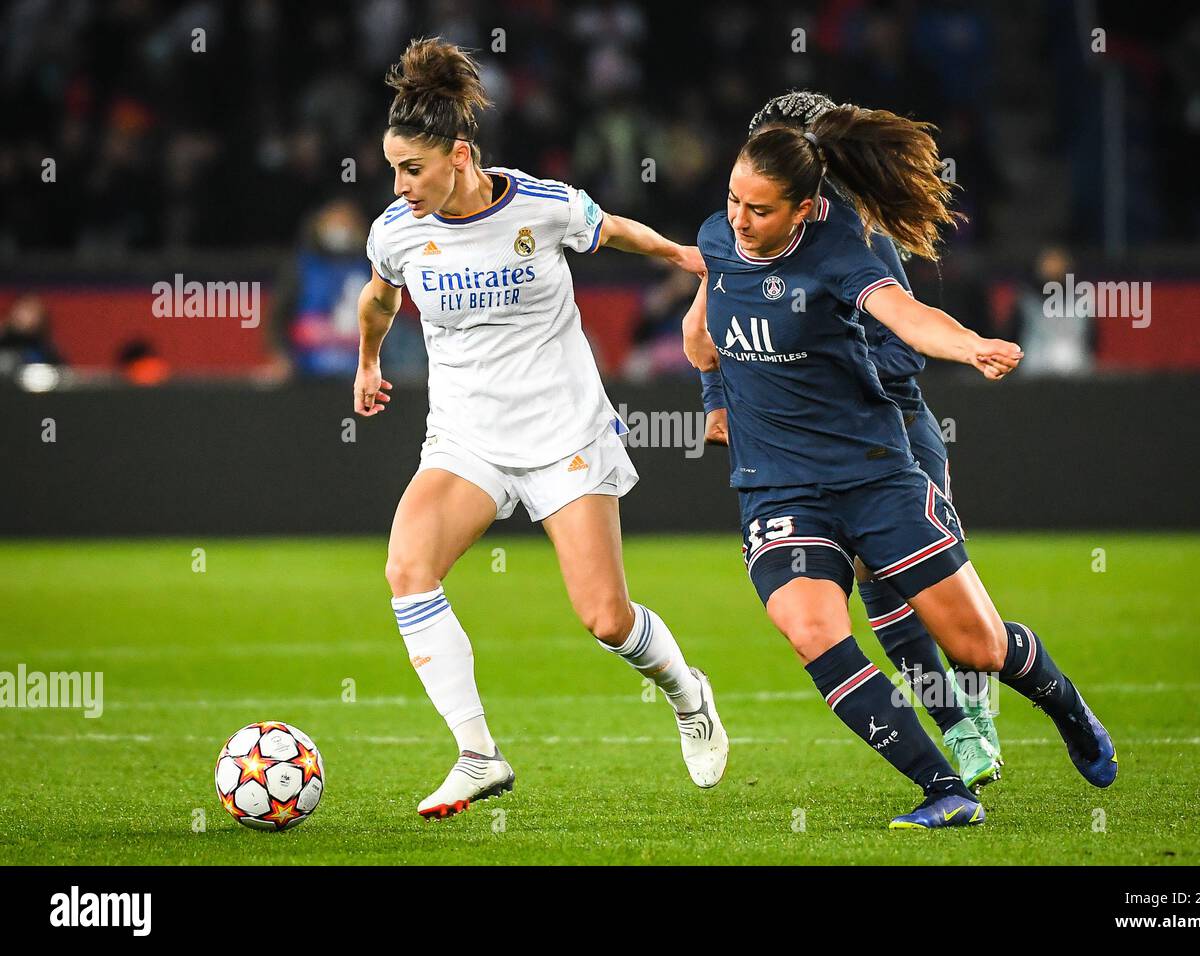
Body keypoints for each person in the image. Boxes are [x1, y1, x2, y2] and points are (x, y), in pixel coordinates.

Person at [685, 105, 1117, 829]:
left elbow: (906, 319)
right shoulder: (718, 237)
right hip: (777, 486)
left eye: (758, 208)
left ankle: (1067, 710)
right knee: (810, 628)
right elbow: (704, 329)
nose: (739, 218)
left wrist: (971, 343)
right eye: (733, 200)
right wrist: (709, 369)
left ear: (803, 208)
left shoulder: (844, 248)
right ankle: (945, 788)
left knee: (975, 646)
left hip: (872, 473)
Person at [356, 37, 728, 820]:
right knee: (407, 570)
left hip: (563, 432)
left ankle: (688, 693)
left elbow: (616, 230)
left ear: (459, 154)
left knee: (606, 619)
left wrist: (681, 255)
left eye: (411, 169)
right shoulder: (396, 229)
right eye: (392, 169)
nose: (400, 185)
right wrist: (368, 361)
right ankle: (478, 755)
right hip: (465, 437)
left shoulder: (542, 205)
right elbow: (379, 299)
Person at [689, 92, 1002, 792]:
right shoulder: (749, 236)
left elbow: (901, 345)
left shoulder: (853, 237)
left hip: (885, 425)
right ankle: (955, 728)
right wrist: (719, 399)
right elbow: (707, 328)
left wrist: (832, 381)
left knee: (914, 587)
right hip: (816, 443)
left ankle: (976, 713)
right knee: (872, 587)